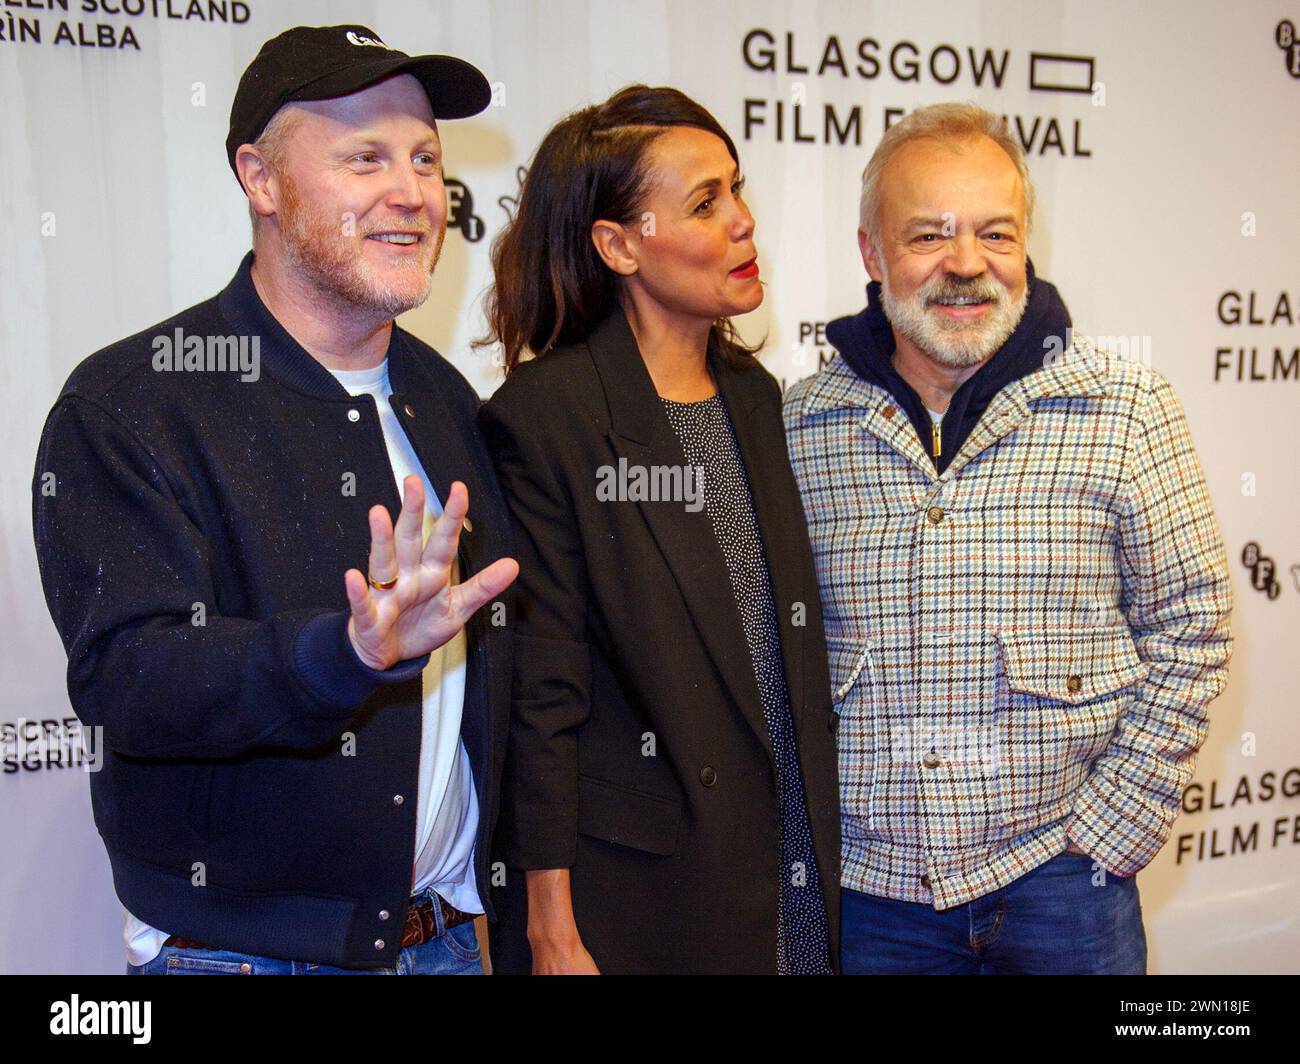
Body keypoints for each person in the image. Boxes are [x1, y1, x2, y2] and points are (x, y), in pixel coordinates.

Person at [31, 24, 518, 975]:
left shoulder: (446, 400)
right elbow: (129, 680)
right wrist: (341, 653)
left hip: (446, 943)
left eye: (425, 157)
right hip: (243, 961)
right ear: (260, 179)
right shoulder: (133, 403)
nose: (412, 192)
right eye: (365, 156)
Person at [783, 102, 1233, 975]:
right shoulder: (802, 424)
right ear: (872, 254)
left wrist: (1116, 825)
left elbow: (1195, 623)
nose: (965, 265)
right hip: (876, 900)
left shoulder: (1126, 408)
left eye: (996, 234)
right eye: (928, 236)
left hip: (1067, 885)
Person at [477, 85, 839, 974]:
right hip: (643, 897)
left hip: (787, 859)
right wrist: (550, 923)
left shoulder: (754, 398)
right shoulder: (547, 416)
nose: (745, 223)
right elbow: (541, 695)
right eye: (706, 203)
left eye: (737, 191)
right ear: (618, 244)